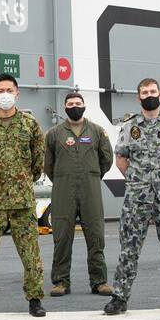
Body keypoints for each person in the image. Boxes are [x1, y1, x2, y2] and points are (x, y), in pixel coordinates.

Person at [103, 79, 160, 316]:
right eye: (144, 92)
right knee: (129, 249)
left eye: (153, 91)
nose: (149, 95)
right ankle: (119, 298)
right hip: (137, 197)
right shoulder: (129, 126)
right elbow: (121, 160)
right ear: (138, 97)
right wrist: (139, 180)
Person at [0, 74, 47, 317]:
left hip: (22, 202)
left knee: (30, 253)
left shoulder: (30, 124)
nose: (5, 94)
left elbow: (38, 162)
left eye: (9, 90)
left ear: (17, 93)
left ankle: (35, 299)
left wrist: (21, 180)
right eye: (0, 90)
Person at [44, 91, 113, 296]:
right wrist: (62, 177)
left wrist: (92, 175)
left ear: (84, 105)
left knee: (95, 235)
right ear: (65, 107)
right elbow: (48, 164)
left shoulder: (97, 131)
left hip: (90, 188)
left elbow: (106, 159)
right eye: (71, 103)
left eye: (78, 103)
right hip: (63, 189)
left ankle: (99, 281)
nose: (75, 106)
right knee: (62, 236)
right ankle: (61, 282)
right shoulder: (54, 133)